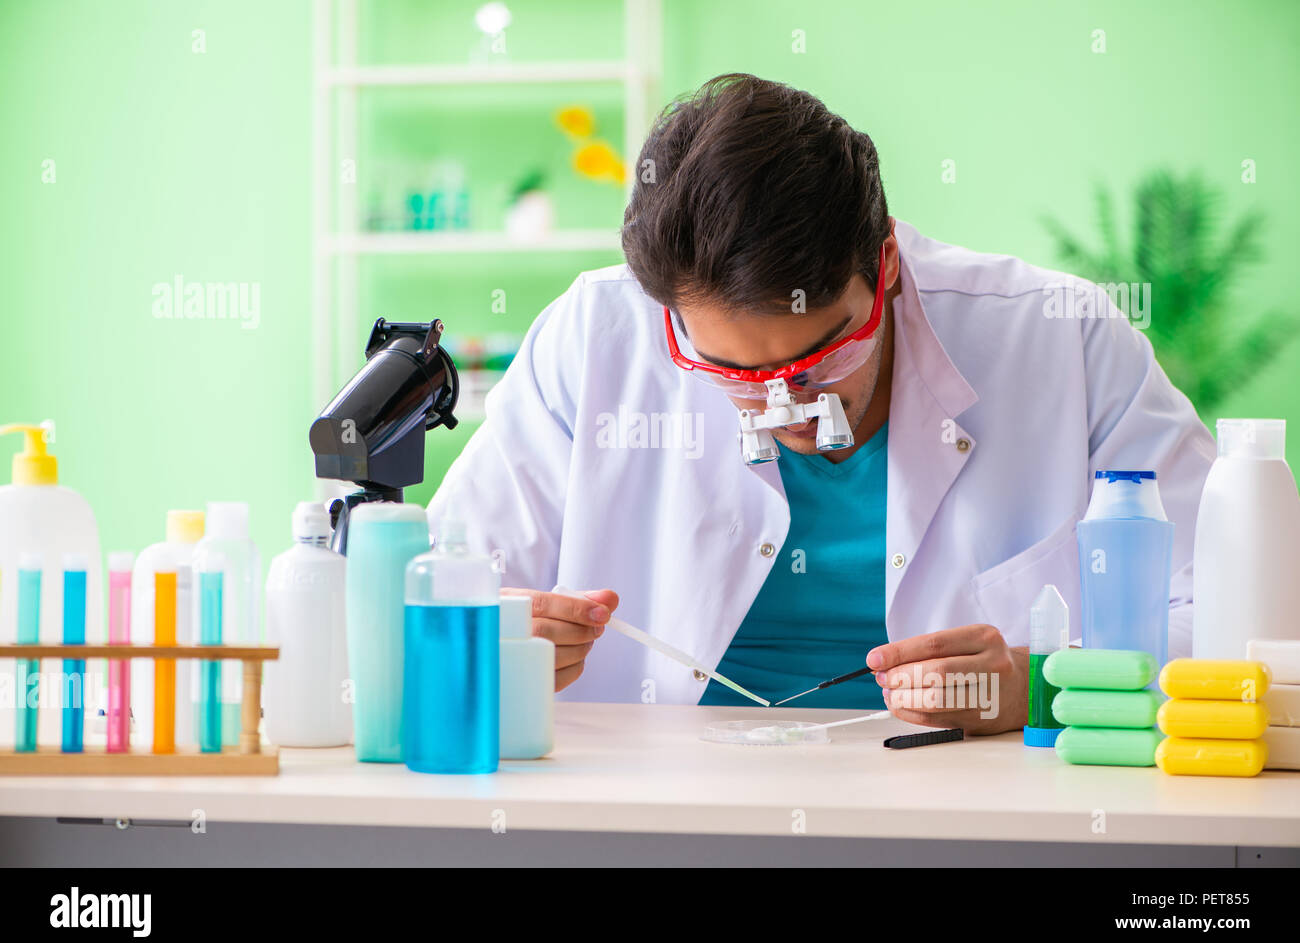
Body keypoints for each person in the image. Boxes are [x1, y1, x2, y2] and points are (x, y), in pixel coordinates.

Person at [426, 74, 1214, 734]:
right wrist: (487, 633)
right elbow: (439, 589)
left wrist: (1043, 685)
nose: (780, 407)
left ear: (889, 265)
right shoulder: (594, 337)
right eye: (732, 374)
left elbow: (1232, 612)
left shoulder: (1056, 340)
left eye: (818, 360)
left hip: (968, 806)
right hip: (662, 804)